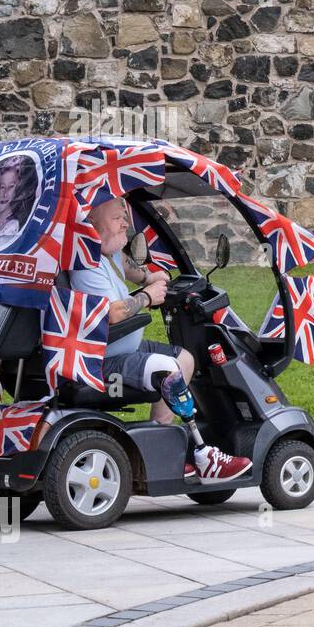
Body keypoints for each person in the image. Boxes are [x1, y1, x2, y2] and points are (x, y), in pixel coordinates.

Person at [69, 197, 252, 482]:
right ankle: (203, 456)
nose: (126, 224)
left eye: (125, 217)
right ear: (93, 224)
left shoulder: (108, 253)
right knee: (170, 370)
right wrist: (146, 296)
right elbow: (113, 313)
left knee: (185, 358)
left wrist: (151, 276)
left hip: (118, 348)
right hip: (100, 359)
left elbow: (131, 268)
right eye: (118, 218)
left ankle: (159, 449)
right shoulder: (85, 264)